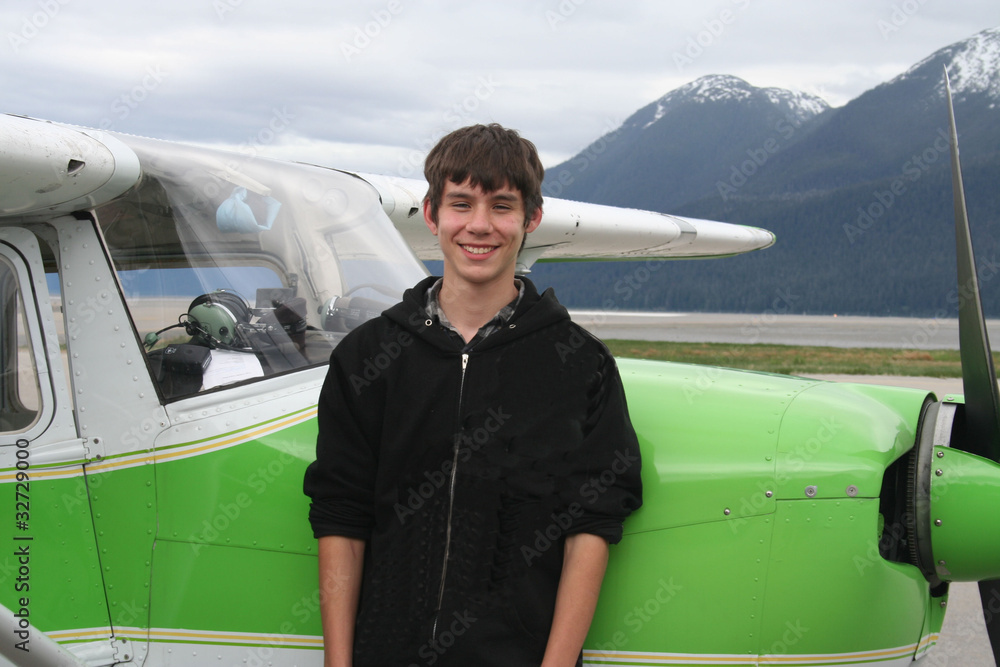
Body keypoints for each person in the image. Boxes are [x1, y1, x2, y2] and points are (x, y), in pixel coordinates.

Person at [304, 123, 642, 667]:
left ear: (531, 218)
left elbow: (592, 525)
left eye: (502, 206)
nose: (479, 226)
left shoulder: (581, 364)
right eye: (461, 204)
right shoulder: (368, 357)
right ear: (432, 212)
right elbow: (341, 515)